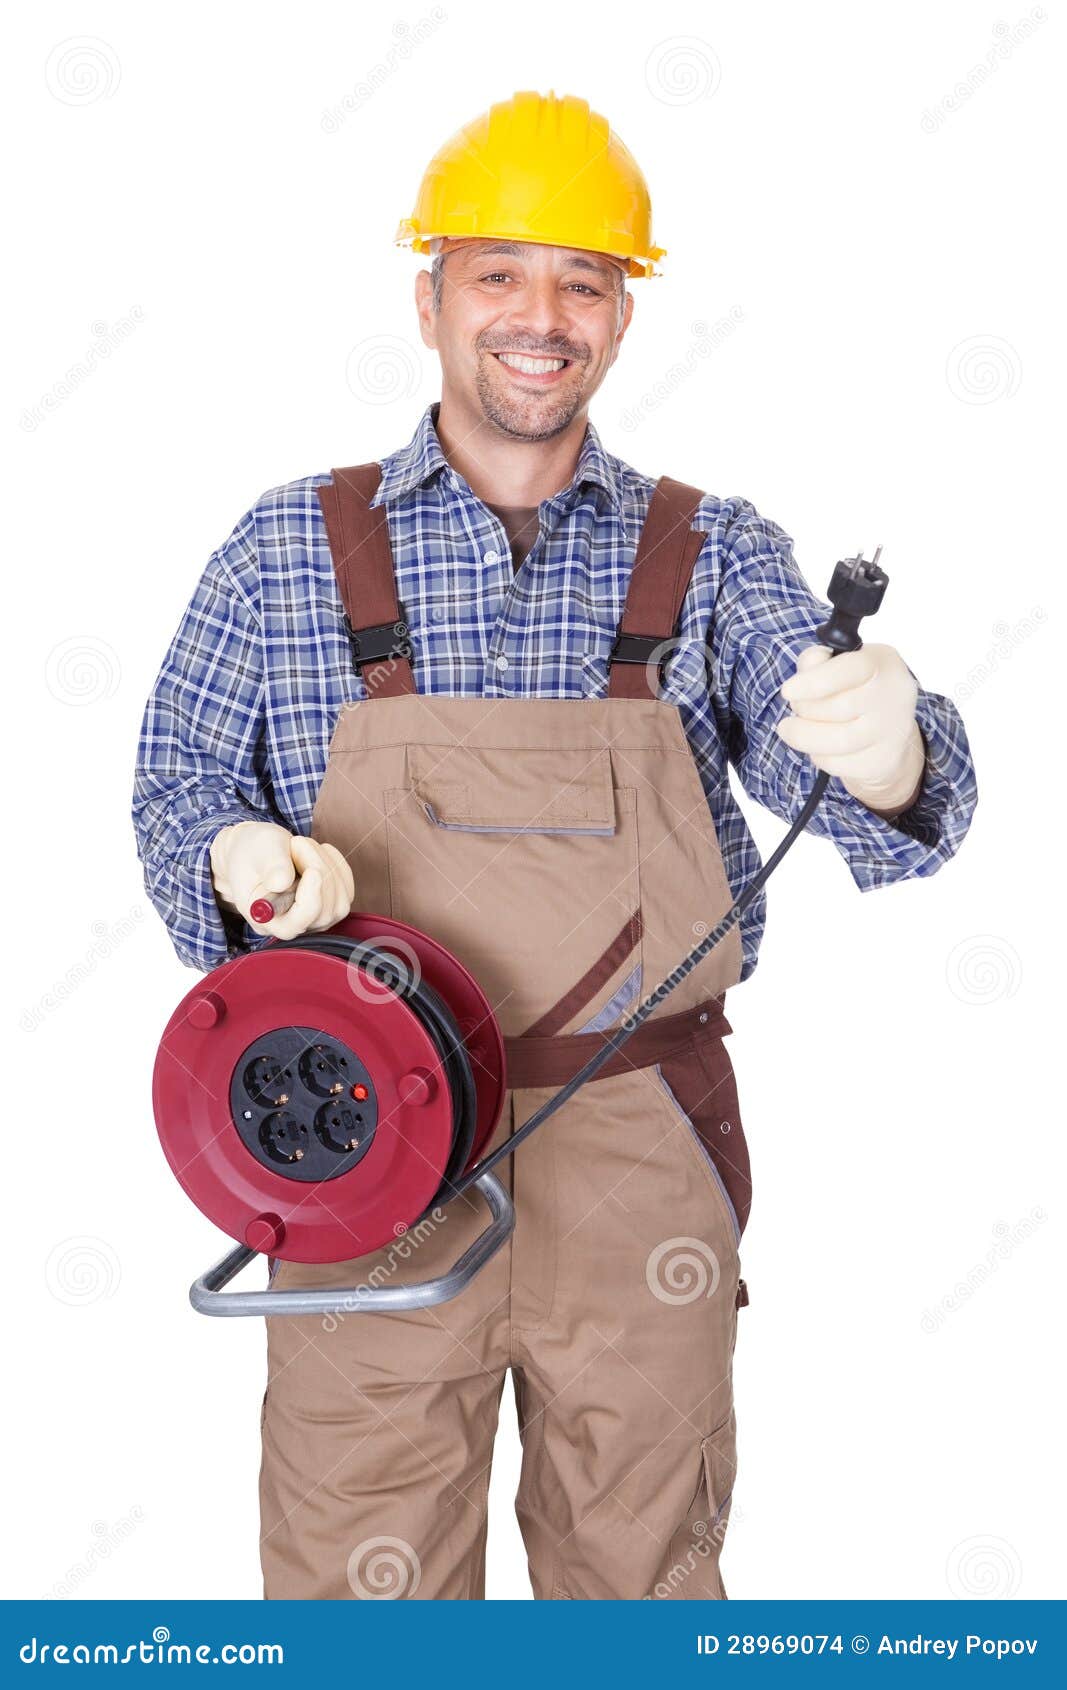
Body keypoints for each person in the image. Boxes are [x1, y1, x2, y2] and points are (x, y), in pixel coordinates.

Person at [132, 91, 977, 1601]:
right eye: (499, 274)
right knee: (355, 1600)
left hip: (640, 1154)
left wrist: (895, 750)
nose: (541, 315)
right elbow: (174, 783)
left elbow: (855, 799)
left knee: (641, 1587)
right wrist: (238, 857)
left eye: (583, 278)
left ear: (623, 312)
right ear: (430, 296)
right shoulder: (288, 544)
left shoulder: (711, 554)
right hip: (363, 1148)